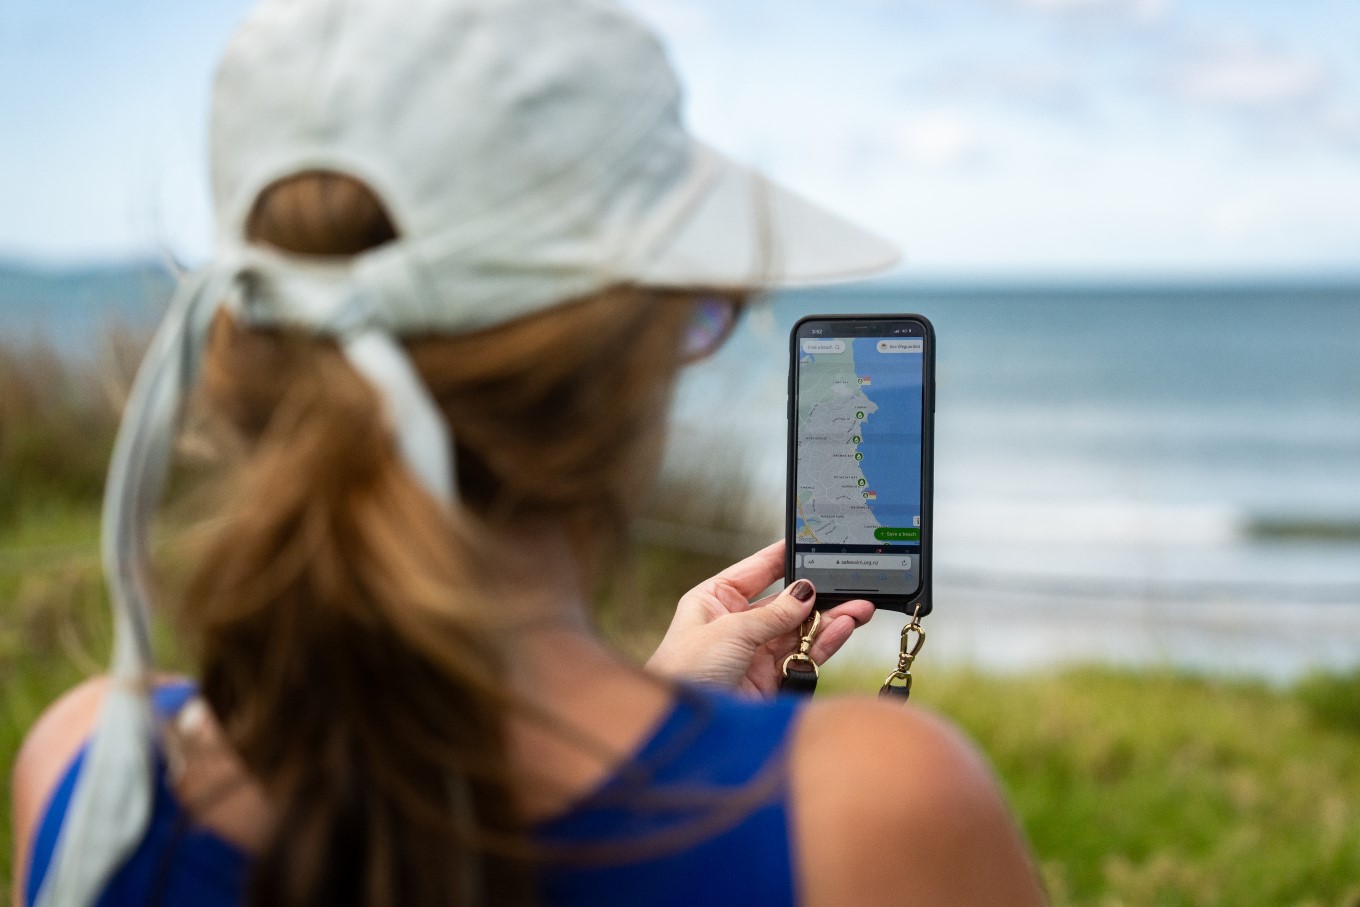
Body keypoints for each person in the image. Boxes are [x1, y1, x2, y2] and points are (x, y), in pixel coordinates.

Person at [11, 1, 1046, 905]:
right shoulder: (874, 811)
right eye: (698, 310)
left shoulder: (89, 774)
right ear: (621, 357)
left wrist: (666, 698)